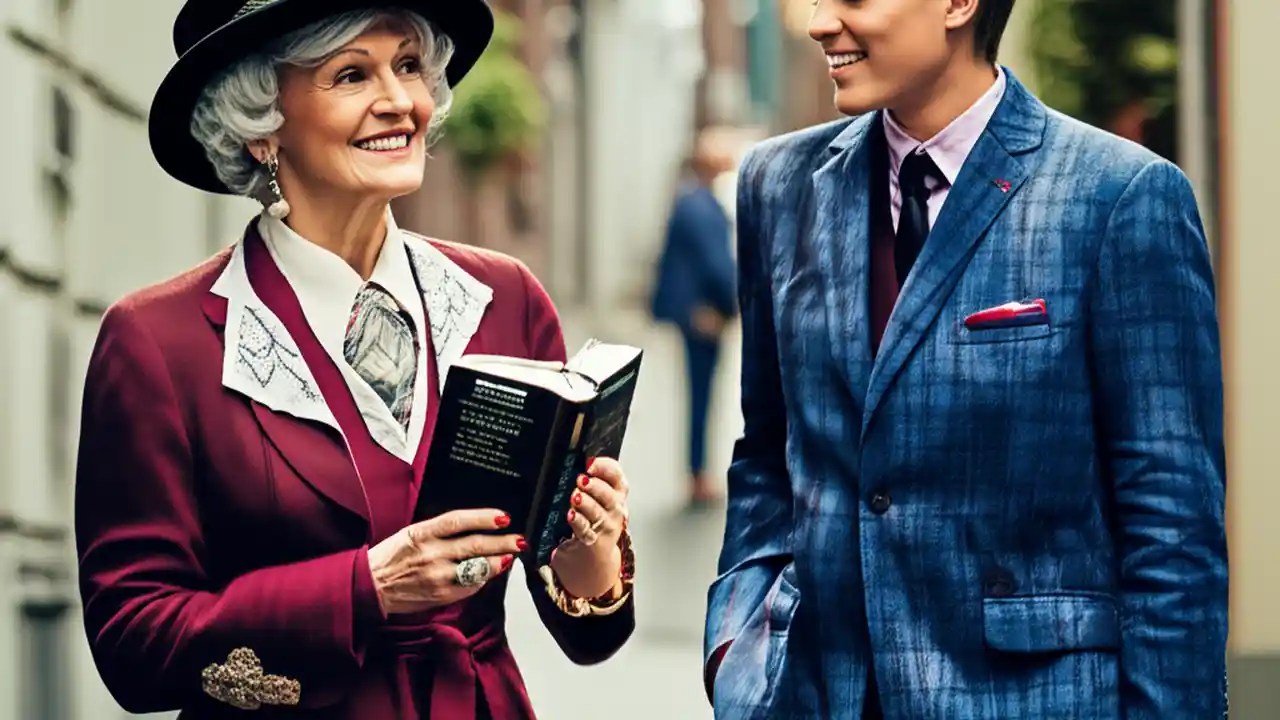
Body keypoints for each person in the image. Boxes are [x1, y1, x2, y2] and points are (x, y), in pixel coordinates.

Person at [74, 3, 636, 718]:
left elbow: (590, 634)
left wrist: (591, 551)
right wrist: (365, 589)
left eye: (407, 65)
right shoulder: (159, 341)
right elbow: (134, 646)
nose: (400, 101)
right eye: (350, 75)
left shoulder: (504, 300)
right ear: (261, 129)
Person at [703, 0, 1227, 718]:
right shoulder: (778, 185)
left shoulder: (1118, 197)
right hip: (818, 693)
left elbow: (1171, 527)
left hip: (1034, 698)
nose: (822, 21)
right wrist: (736, 646)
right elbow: (766, 451)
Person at [650, 128, 739, 506]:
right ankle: (698, 474)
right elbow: (716, 266)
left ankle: (697, 471)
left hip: (697, 314)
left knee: (700, 394)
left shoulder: (692, 200)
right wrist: (736, 304)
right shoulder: (701, 206)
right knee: (701, 395)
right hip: (703, 317)